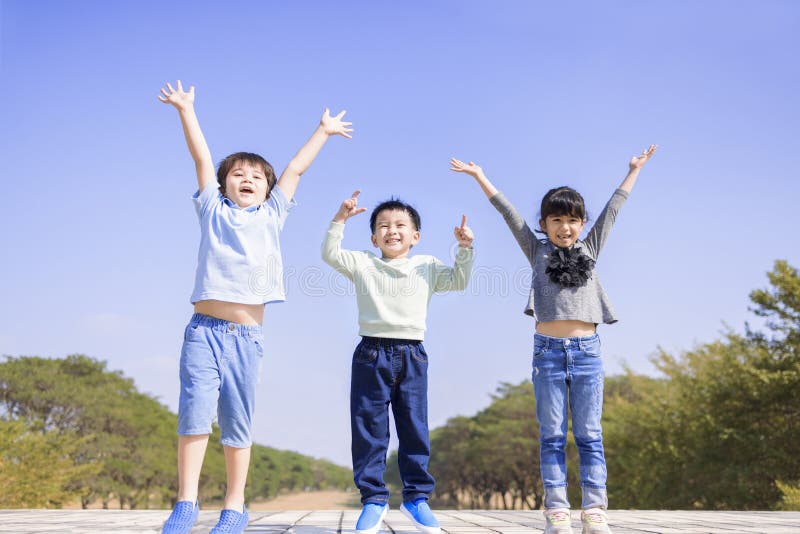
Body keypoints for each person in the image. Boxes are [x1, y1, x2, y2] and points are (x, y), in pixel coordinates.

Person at [158, 80, 352, 534]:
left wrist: (323, 131)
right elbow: (201, 158)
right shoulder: (212, 209)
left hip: (246, 338)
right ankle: (185, 502)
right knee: (194, 412)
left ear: (268, 189)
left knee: (237, 422)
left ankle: (235, 506)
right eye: (238, 174)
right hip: (203, 331)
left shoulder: (272, 215)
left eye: (257, 176)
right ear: (223, 184)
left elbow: (295, 170)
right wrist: (186, 110)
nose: (247, 180)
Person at [450, 145, 657, 534]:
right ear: (544, 224)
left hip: (587, 353)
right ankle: (557, 510)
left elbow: (614, 208)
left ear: (582, 223)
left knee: (590, 435)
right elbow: (508, 213)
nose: (565, 227)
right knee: (552, 435)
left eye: (572, 220)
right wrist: (480, 176)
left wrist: (634, 169)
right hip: (547, 354)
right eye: (556, 220)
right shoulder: (537, 251)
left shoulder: (590, 249)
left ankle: (594, 510)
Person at [321, 191, 475, 534]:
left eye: (400, 225)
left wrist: (465, 248)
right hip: (370, 353)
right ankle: (373, 500)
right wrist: (340, 219)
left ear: (415, 235)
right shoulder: (363, 263)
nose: (392, 230)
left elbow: (459, 280)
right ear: (373, 238)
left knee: (414, 426)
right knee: (369, 428)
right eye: (383, 226)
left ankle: (416, 498)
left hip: (412, 354)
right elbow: (330, 254)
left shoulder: (427, 266)